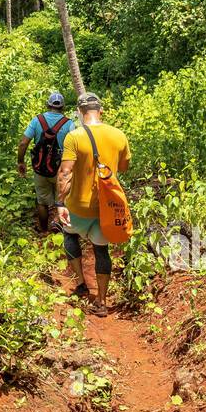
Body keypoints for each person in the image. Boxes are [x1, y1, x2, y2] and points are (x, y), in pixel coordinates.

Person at [56, 92, 131, 316]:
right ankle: (102, 301)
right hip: (106, 208)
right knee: (102, 251)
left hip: (79, 207)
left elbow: (65, 172)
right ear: (101, 111)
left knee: (69, 235)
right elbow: (124, 167)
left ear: (80, 112)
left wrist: (60, 202)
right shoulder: (119, 135)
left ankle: (81, 283)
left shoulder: (75, 137)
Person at [17, 91, 75, 233]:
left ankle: (43, 231)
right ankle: (63, 230)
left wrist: (21, 162)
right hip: (61, 170)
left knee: (42, 201)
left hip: (40, 168)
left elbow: (23, 143)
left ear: (48, 105)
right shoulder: (69, 124)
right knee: (62, 199)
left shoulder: (37, 120)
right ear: (63, 107)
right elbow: (76, 147)